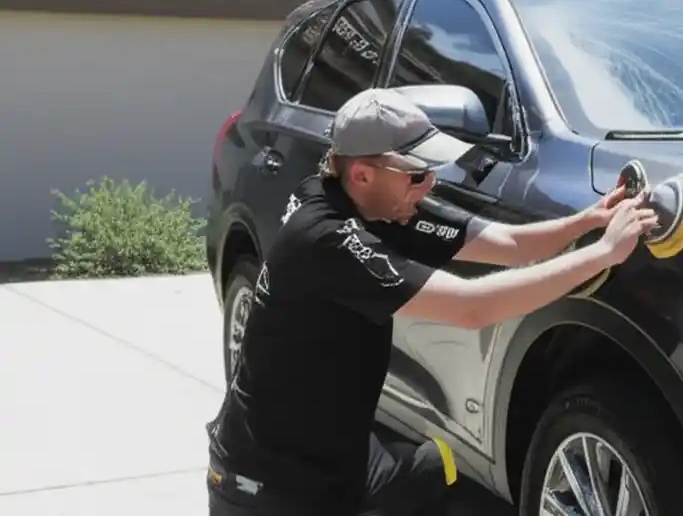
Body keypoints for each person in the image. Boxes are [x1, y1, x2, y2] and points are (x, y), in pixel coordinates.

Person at [206, 86, 658, 516]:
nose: (428, 186)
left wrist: (590, 221)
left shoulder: (376, 204)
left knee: (429, 472)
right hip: (268, 488)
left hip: (335, 461)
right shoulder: (326, 238)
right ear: (362, 174)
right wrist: (603, 253)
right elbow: (471, 307)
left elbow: (508, 244)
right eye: (417, 174)